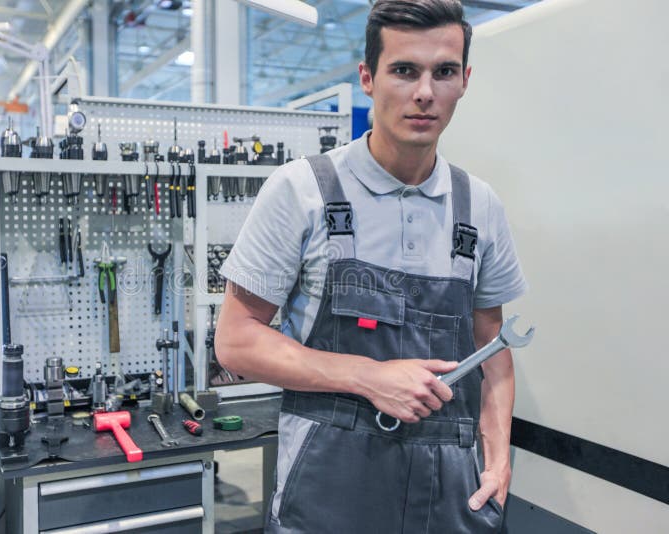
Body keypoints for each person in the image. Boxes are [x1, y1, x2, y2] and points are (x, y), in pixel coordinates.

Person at [215, 0, 527, 531]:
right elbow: (236, 341)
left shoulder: (480, 208)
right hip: (327, 499)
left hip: (449, 502)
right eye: (404, 70)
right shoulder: (300, 192)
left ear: (465, 80)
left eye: (444, 72)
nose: (425, 92)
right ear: (368, 77)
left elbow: (492, 349)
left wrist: (497, 457)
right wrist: (368, 377)